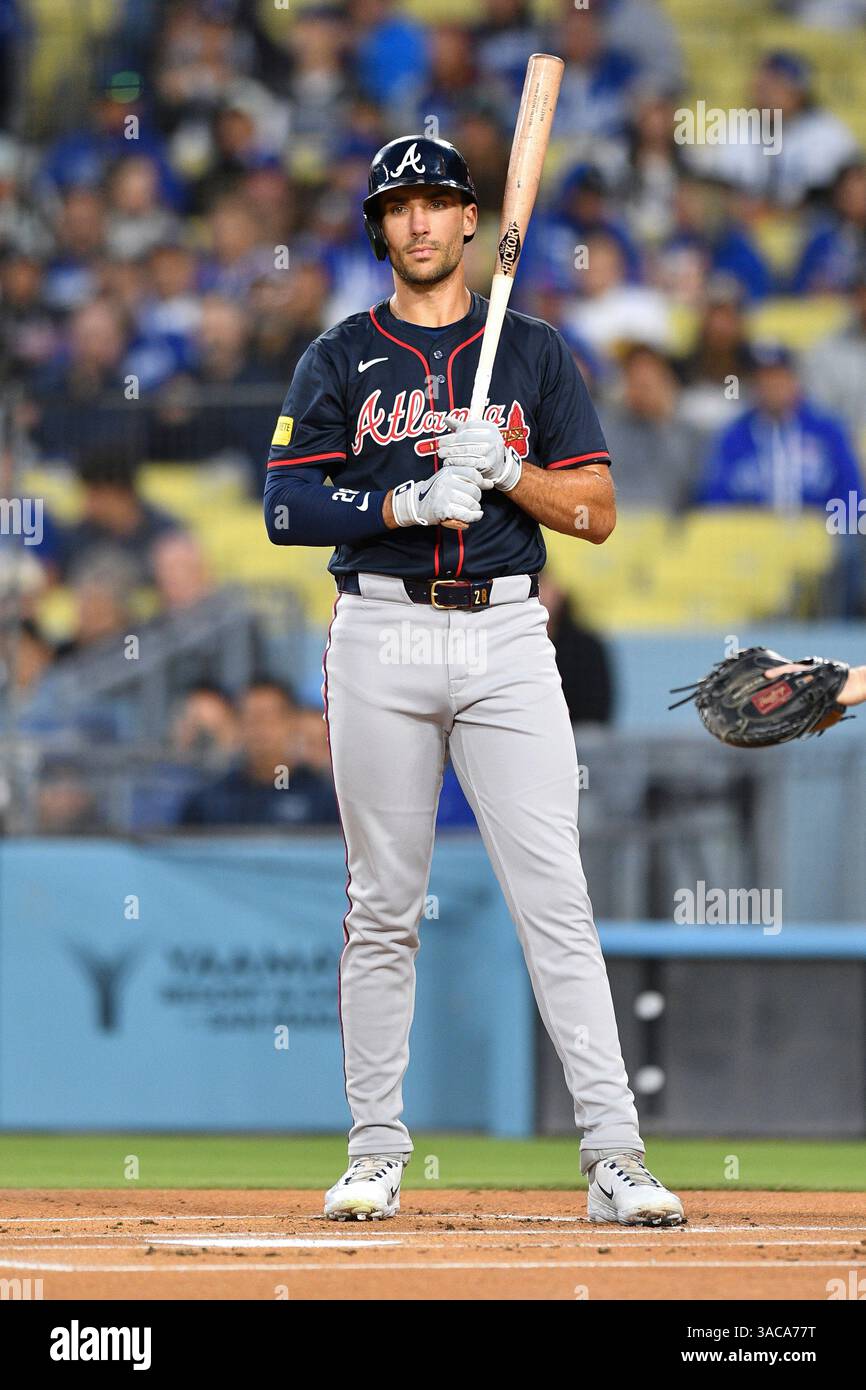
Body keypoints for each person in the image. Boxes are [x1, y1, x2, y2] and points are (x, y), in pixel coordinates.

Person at [264, 134, 684, 1227]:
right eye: (397, 205)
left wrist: (505, 470)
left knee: (556, 901)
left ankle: (614, 1155)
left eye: (436, 203)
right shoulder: (339, 356)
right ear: (379, 228)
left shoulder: (535, 354)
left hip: (504, 637)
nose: (417, 221)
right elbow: (284, 508)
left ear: (469, 225)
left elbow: (592, 512)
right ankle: (372, 1148)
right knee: (381, 905)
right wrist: (400, 501)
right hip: (380, 631)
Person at [694, 343, 863, 511]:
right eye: (762, 378)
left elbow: (850, 495)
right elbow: (715, 502)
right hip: (749, 535)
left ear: (795, 381)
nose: (771, 386)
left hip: (820, 533)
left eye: (778, 377)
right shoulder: (733, 435)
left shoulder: (828, 431)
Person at [178, 679, 338, 827]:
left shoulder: (323, 799)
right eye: (251, 718)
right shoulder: (209, 801)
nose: (261, 729)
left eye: (270, 718)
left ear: (292, 723)